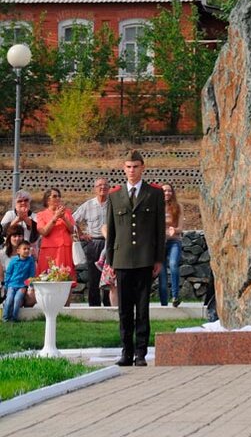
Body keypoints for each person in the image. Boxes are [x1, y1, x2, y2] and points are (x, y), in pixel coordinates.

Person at [105, 151, 165, 367]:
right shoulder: (115, 195)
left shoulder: (154, 194)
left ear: (143, 168)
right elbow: (111, 231)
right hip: (121, 259)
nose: (132, 170)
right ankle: (126, 352)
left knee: (142, 308)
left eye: (136, 166)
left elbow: (159, 229)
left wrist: (159, 259)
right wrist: (110, 261)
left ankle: (140, 353)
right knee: (124, 310)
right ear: (124, 168)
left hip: (145, 258)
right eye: (129, 167)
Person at [73, 177, 110, 307]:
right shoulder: (88, 205)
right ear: (95, 189)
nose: (102, 188)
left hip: (110, 244)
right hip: (93, 243)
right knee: (94, 277)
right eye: (99, 185)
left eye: (105, 185)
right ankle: (94, 306)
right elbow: (73, 220)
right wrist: (81, 234)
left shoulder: (113, 204)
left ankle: (109, 303)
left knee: (109, 276)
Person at [35, 188, 76, 290]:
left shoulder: (67, 212)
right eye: (54, 196)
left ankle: (66, 306)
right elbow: (44, 232)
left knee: (67, 278)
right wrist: (55, 217)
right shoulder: (41, 215)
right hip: (49, 250)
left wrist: (64, 218)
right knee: (47, 277)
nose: (58, 198)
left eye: (58, 196)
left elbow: (72, 230)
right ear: (47, 200)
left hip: (64, 249)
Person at [158, 183, 183, 307]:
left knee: (173, 264)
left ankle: (175, 296)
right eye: (164, 191)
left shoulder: (177, 207)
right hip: (160, 243)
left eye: (169, 191)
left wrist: (175, 230)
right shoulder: (156, 207)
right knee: (161, 273)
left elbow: (181, 227)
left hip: (174, 241)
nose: (167, 193)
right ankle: (164, 303)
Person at [2, 240, 35, 322]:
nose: (27, 250)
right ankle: (5, 318)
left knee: (17, 300)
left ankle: (14, 318)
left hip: (22, 286)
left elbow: (31, 276)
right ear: (18, 251)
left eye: (28, 249)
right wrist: (6, 286)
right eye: (24, 249)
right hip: (11, 285)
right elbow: (9, 273)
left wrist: (26, 287)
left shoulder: (30, 261)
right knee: (9, 299)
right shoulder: (14, 260)